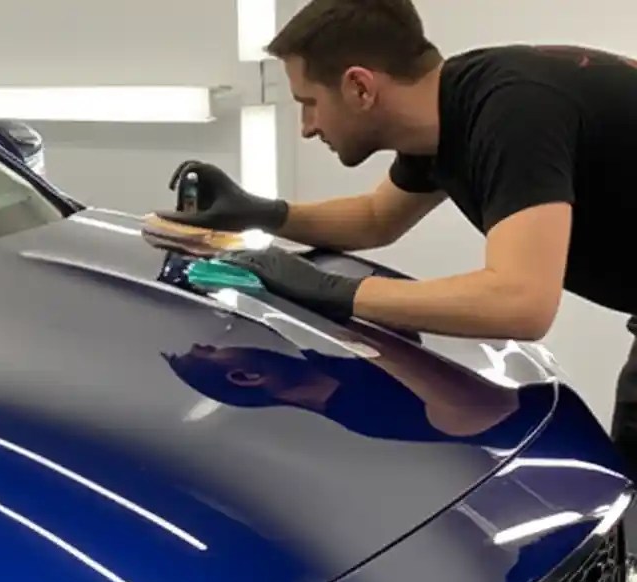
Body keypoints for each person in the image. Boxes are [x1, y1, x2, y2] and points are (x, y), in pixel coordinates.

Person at [155, 0, 637, 475]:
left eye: (309, 104)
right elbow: (375, 219)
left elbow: (521, 302)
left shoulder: (513, 114)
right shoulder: (455, 106)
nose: (307, 128)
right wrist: (258, 212)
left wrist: (331, 292)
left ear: (360, 87)